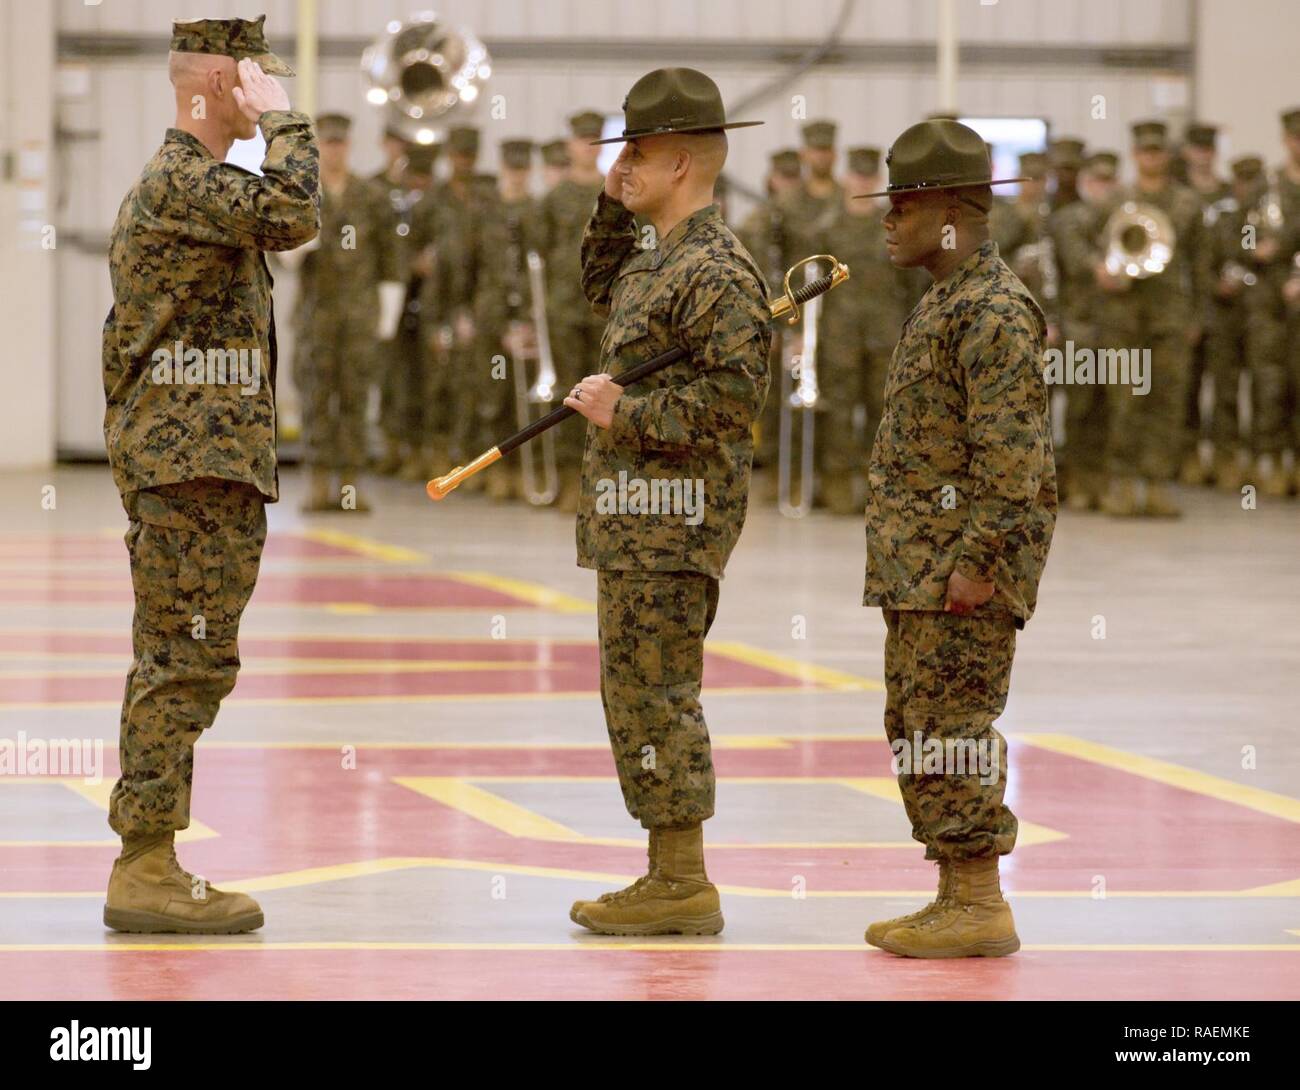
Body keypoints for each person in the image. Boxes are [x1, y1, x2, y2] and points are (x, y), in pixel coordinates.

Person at [100, 16, 319, 933]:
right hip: (189, 460)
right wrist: (287, 122)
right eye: (256, 75)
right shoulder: (184, 181)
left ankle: (150, 855)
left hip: (201, 460)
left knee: (190, 657)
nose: (267, 88)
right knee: (180, 660)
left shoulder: (194, 183)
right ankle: (145, 864)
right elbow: (296, 213)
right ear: (224, 83)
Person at [562, 68, 769, 936]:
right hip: (634, 517)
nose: (624, 165)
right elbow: (597, 283)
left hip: (674, 518)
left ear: (681, 163)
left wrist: (628, 413)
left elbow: (733, 401)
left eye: (638, 154)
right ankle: (666, 871)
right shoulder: (660, 258)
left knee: (658, 695)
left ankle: (682, 881)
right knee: (635, 694)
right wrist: (612, 203)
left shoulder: (717, 270)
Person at [859, 119, 1056, 958]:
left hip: (959, 570)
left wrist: (977, 565)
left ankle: (980, 902)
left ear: (948, 213)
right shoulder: (948, 297)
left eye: (902, 206)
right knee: (919, 723)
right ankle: (953, 892)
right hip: (921, 565)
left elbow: (1012, 459)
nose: (888, 220)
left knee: (954, 725)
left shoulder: (992, 308)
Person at [1094, 120, 1211, 518]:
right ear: (1134, 154)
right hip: (1123, 315)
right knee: (1124, 400)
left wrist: (1197, 315)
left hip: (1171, 316)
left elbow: (1201, 263)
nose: (1151, 157)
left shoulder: (1187, 203)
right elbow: (1089, 244)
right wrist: (1100, 269)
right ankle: (1124, 483)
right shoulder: (1114, 200)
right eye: (1145, 151)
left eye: (1158, 151)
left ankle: (1158, 484)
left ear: (1167, 155)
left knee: (1167, 400)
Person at [293, 112, 397, 513]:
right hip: (316, 313)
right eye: (327, 143)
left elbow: (391, 259)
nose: (334, 151)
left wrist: (387, 317)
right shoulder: (302, 194)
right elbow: (282, 252)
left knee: (355, 397)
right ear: (317, 146)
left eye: (339, 143)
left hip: (359, 314)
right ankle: (319, 482)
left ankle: (350, 486)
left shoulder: (371, 196)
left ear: (348, 146)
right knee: (316, 397)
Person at [808, 146, 919, 513]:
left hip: (884, 332)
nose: (862, 182)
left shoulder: (893, 225)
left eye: (869, 177)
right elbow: (811, 285)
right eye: (857, 176)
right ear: (846, 178)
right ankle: (837, 484)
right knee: (838, 410)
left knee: (883, 409)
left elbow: (910, 282)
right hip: (839, 333)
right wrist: (803, 337)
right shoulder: (826, 226)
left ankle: (880, 486)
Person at [541, 110, 608, 511]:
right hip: (564, 309)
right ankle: (568, 479)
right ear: (570, 145)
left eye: (593, 139)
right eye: (581, 140)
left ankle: (599, 481)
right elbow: (538, 256)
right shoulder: (555, 198)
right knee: (570, 394)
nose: (587, 147)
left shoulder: (617, 193)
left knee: (606, 394)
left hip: (604, 311)